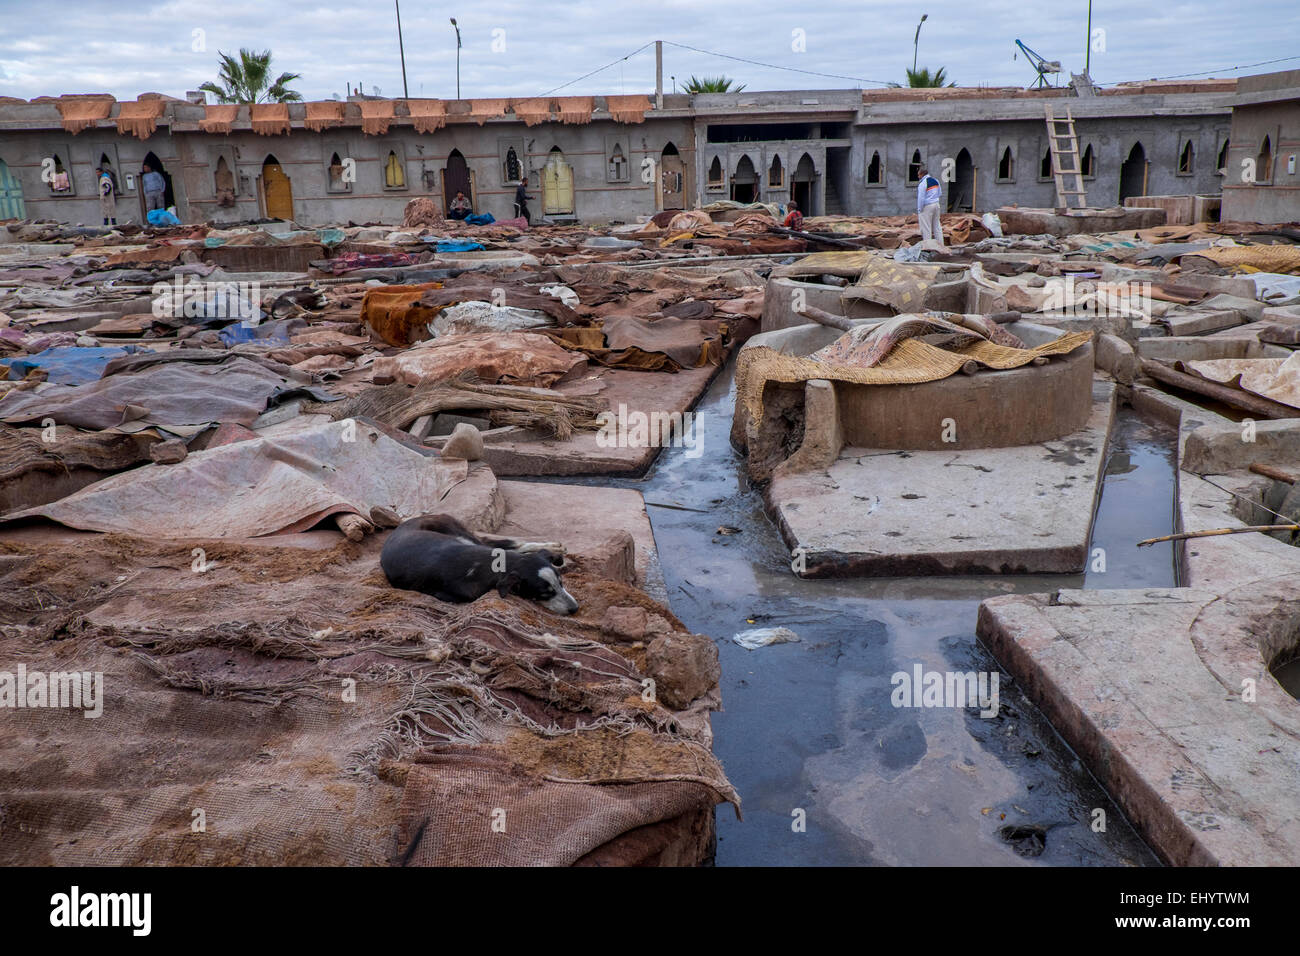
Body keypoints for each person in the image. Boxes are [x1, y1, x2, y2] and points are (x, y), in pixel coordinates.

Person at [915, 164, 943, 246]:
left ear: (921, 174)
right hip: (936, 204)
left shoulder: (923, 183)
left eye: (918, 175)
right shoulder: (936, 181)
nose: (918, 176)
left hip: (927, 206)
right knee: (937, 226)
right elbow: (940, 193)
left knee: (926, 228)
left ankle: (928, 247)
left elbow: (921, 198)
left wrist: (920, 210)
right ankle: (941, 245)